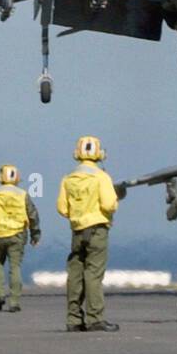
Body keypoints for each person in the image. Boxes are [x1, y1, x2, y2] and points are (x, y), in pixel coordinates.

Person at [56, 136, 119, 332]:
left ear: (77, 153)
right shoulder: (102, 177)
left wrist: (78, 214)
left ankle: (73, 319)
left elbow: (62, 209)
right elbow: (109, 204)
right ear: (99, 153)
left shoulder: (68, 178)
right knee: (93, 274)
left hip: (76, 230)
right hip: (97, 229)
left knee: (75, 274)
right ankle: (95, 319)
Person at [0, 164, 40, 312]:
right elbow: (33, 215)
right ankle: (14, 301)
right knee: (15, 267)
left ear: (0, 177)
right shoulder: (23, 194)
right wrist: (35, 234)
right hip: (17, 234)